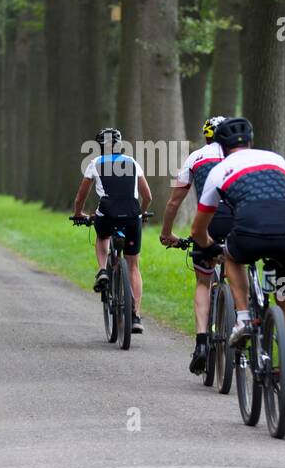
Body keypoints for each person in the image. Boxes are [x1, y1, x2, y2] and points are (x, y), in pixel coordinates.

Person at [191, 117, 285, 406]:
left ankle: (243, 317)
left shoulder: (220, 170)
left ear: (221, 146)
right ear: (251, 141)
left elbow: (198, 229)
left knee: (230, 254)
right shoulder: (277, 160)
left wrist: (210, 247)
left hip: (248, 235)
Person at [161, 115, 231, 374]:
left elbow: (173, 203)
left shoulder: (196, 157)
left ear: (207, 136)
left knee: (203, 281)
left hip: (209, 223)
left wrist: (167, 232)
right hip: (238, 221)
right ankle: (244, 321)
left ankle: (202, 342)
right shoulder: (242, 156)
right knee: (239, 269)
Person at [73, 128, 152, 334]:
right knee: (133, 266)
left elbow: (81, 196)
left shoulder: (95, 163)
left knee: (102, 237)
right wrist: (141, 214)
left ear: (100, 147)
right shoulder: (133, 163)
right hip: (132, 217)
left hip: (107, 215)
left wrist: (79, 213)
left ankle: (102, 271)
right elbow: (148, 196)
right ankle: (135, 316)